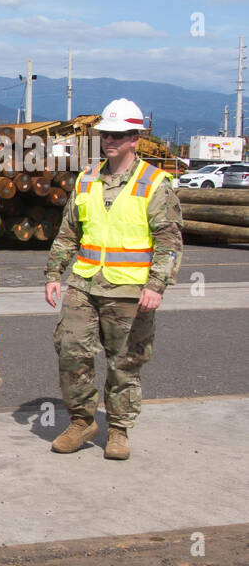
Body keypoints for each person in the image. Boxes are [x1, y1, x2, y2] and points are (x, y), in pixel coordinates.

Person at [44, 98, 182, 460]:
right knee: (71, 351)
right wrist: (54, 273)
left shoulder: (155, 183)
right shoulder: (88, 177)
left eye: (120, 135)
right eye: (107, 134)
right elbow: (68, 232)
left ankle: (118, 429)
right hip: (85, 284)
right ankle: (82, 420)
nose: (111, 140)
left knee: (125, 361)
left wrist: (156, 285)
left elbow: (169, 241)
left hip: (130, 289)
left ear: (136, 138)